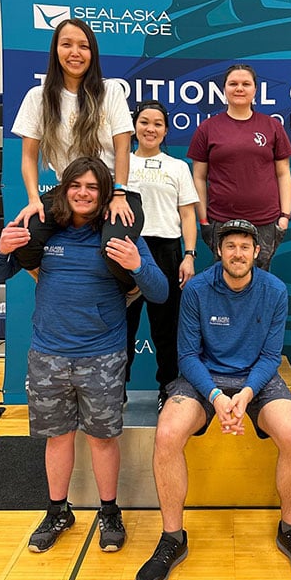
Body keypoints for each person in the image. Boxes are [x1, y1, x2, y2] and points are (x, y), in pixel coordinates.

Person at [0, 157, 168, 554]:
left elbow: (160, 292)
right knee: (57, 439)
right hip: (48, 355)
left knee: (102, 440)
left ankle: (109, 511)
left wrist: (137, 266)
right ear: (64, 190)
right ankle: (57, 511)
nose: (83, 193)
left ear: (105, 196)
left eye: (93, 187)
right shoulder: (45, 234)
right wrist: (0, 249)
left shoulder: (124, 238)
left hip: (101, 356)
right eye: (76, 186)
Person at [135, 219, 291, 580]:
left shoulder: (275, 290)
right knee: (168, 433)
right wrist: (217, 397)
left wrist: (246, 394)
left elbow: (271, 356)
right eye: (230, 246)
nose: (238, 253)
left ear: (258, 252)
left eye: (245, 246)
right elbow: (187, 356)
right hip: (203, 378)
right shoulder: (198, 290)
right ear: (219, 251)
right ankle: (172, 538)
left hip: (257, 379)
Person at [11, 17, 143, 288]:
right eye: (66, 44)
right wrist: (34, 199)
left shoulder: (111, 91)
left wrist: (119, 193)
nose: (75, 52)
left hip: (110, 188)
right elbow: (27, 157)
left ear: (92, 53)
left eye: (83, 46)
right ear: (55, 50)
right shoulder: (38, 97)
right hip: (68, 192)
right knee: (25, 239)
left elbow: (122, 148)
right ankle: (53, 287)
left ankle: (130, 293)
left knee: (114, 250)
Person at [125, 100, 199, 410]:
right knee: (123, 326)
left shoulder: (178, 167)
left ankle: (168, 387)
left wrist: (189, 254)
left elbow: (187, 216)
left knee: (166, 329)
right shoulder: (120, 164)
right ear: (134, 127)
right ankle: (116, 389)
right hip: (127, 249)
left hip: (167, 251)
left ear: (166, 130)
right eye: (144, 122)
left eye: (157, 123)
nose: (150, 128)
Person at [188, 64, 291, 270]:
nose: (239, 88)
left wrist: (284, 217)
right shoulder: (207, 128)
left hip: (265, 222)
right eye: (233, 83)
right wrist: (204, 220)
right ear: (224, 89)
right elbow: (199, 177)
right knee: (224, 283)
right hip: (221, 221)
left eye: (246, 84)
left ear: (255, 90)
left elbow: (283, 174)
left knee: (259, 284)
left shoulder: (272, 126)